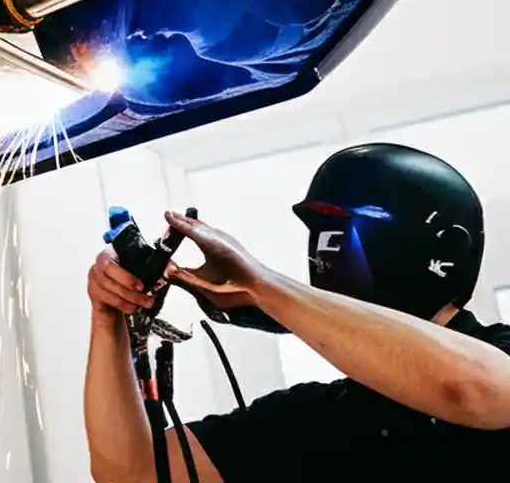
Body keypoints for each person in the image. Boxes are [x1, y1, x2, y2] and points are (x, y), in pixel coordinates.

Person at [83, 143, 510, 482]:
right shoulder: (324, 418)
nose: (326, 253)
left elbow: (473, 391)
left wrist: (262, 287)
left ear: (444, 250)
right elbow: (131, 473)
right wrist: (109, 317)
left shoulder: (498, 355)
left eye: (343, 232)